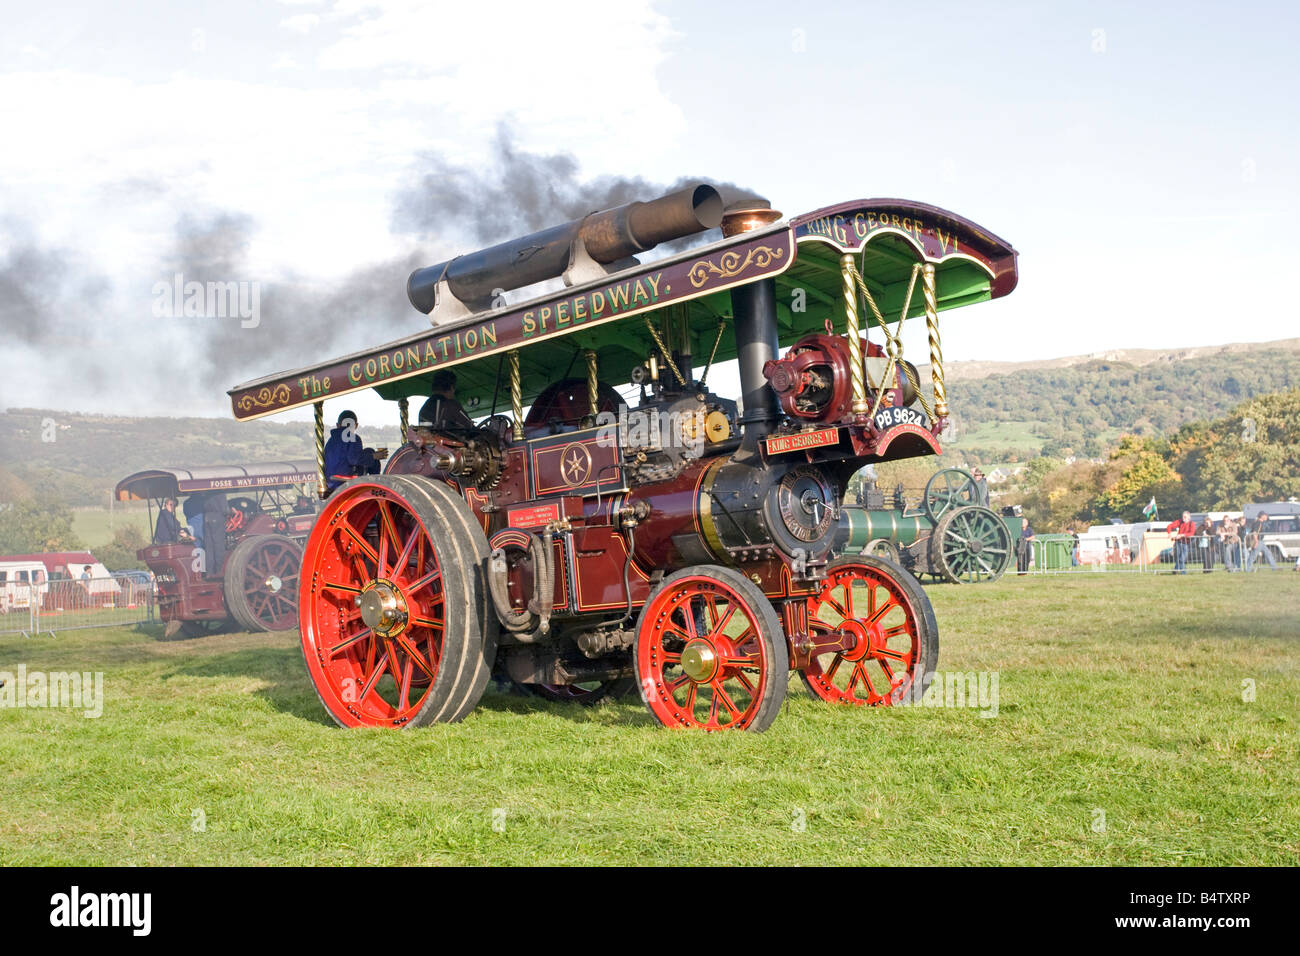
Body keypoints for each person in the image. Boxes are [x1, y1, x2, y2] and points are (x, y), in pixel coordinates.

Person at [323, 410, 380, 495]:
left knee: (368, 453)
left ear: (337, 425)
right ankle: (377, 485)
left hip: (330, 481)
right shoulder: (353, 438)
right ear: (356, 425)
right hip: (343, 480)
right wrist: (374, 456)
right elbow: (353, 459)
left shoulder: (330, 441)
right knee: (370, 452)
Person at [418, 369, 477, 435]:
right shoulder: (451, 405)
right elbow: (469, 426)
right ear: (452, 388)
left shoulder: (424, 408)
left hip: (427, 442)